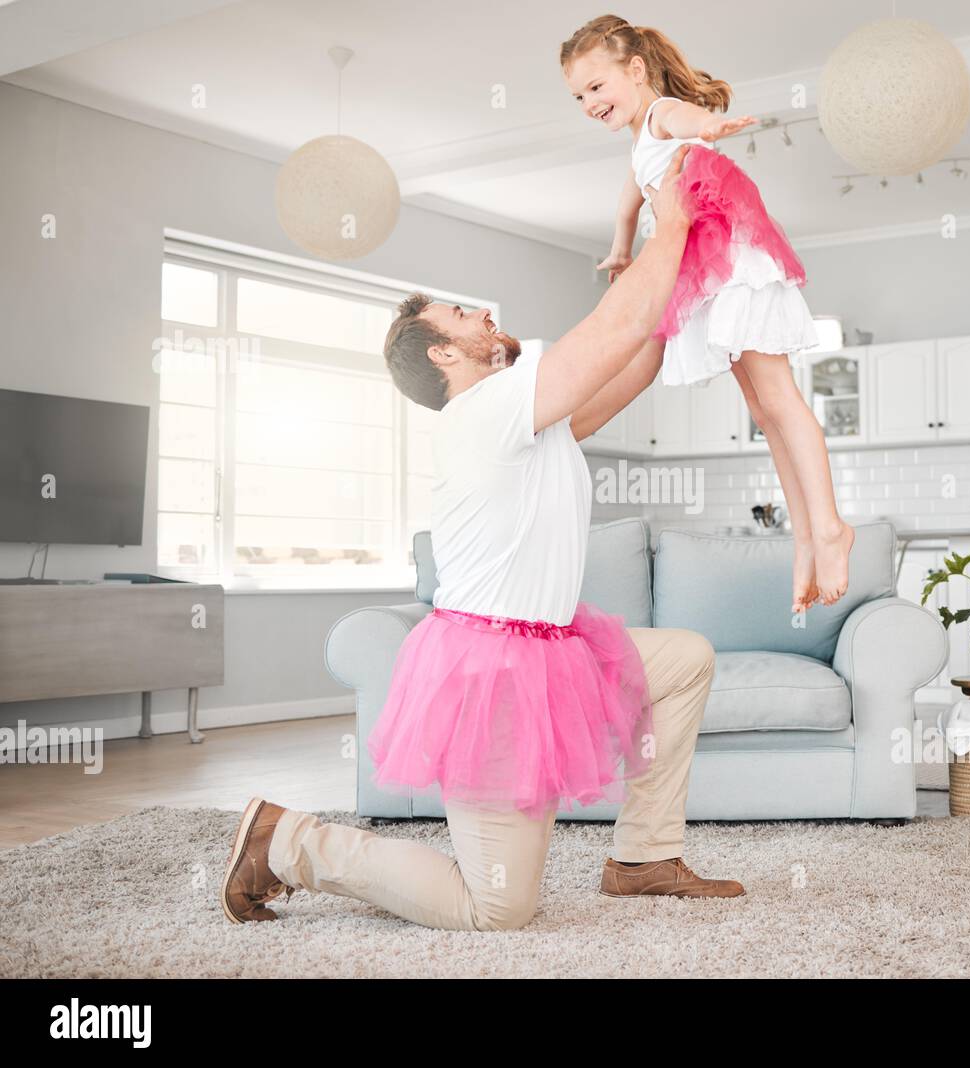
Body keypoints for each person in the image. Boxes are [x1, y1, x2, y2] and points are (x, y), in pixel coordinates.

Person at [220, 143, 744, 933]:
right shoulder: (486, 410)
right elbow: (617, 325)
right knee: (498, 907)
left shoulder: (528, 419)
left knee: (684, 660)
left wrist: (674, 280)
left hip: (552, 648)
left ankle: (642, 857)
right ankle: (289, 842)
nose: (483, 316)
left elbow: (632, 364)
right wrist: (664, 233)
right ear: (442, 353)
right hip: (493, 676)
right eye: (462, 316)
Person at [561, 14, 855, 613]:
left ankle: (829, 526)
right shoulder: (638, 143)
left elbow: (686, 120)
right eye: (578, 96)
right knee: (762, 408)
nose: (589, 102)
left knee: (779, 399)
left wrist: (713, 126)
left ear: (635, 71)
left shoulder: (661, 113)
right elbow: (628, 199)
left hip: (730, 253)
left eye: (596, 86)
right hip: (707, 266)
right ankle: (804, 536)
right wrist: (621, 248)